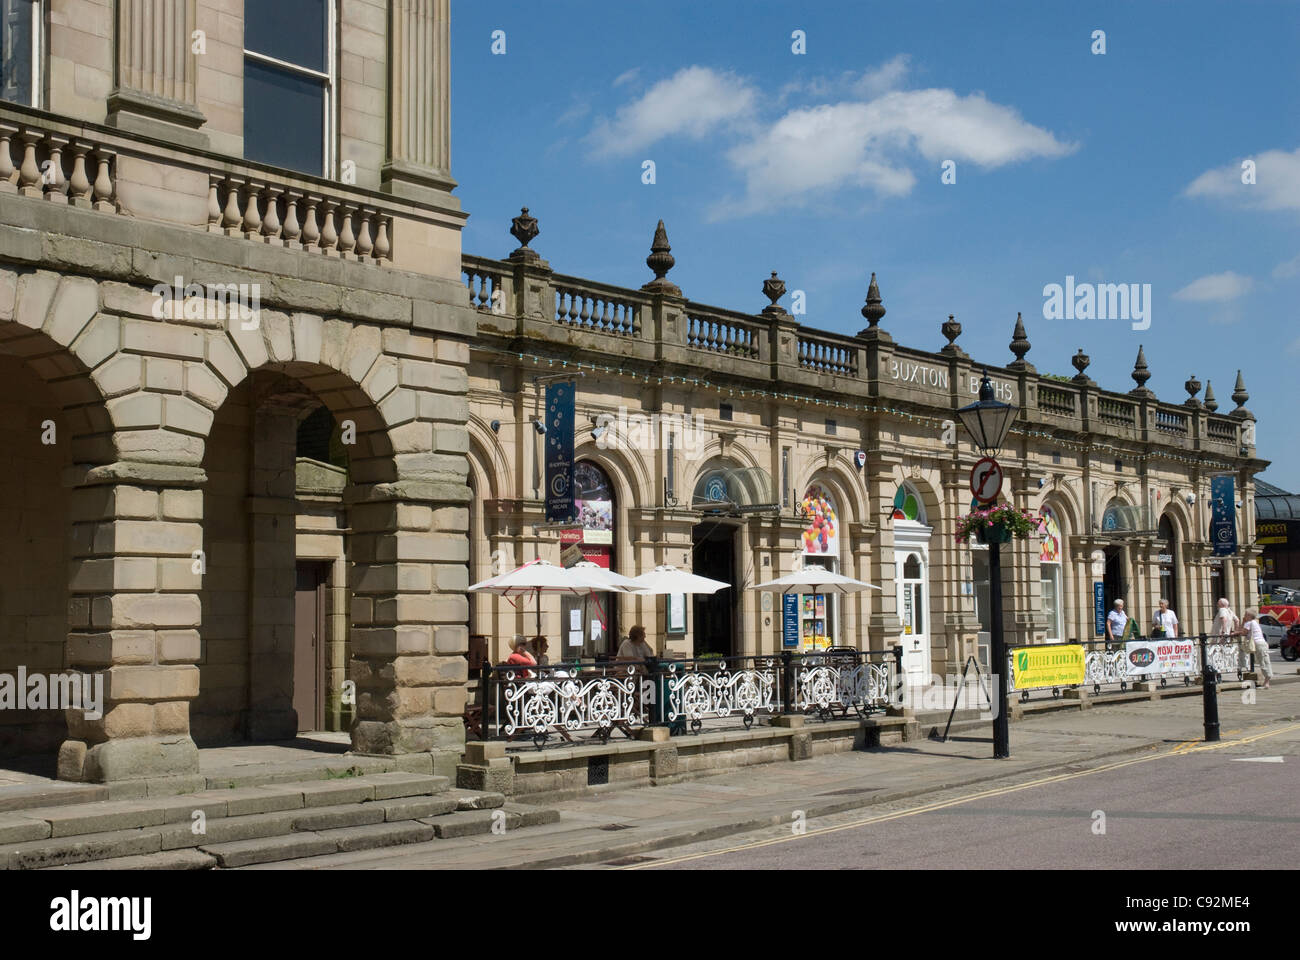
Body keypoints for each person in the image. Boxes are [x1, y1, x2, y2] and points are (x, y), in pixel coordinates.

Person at [1241, 610, 1273, 689]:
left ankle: (1267, 682)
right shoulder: (1255, 622)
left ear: (1249, 616)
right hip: (1262, 643)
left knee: (1263, 662)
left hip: (1259, 644)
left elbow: (1243, 632)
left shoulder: (1249, 623)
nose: (1244, 616)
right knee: (1265, 661)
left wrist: (1243, 622)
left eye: (1245, 614)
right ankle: (1267, 682)